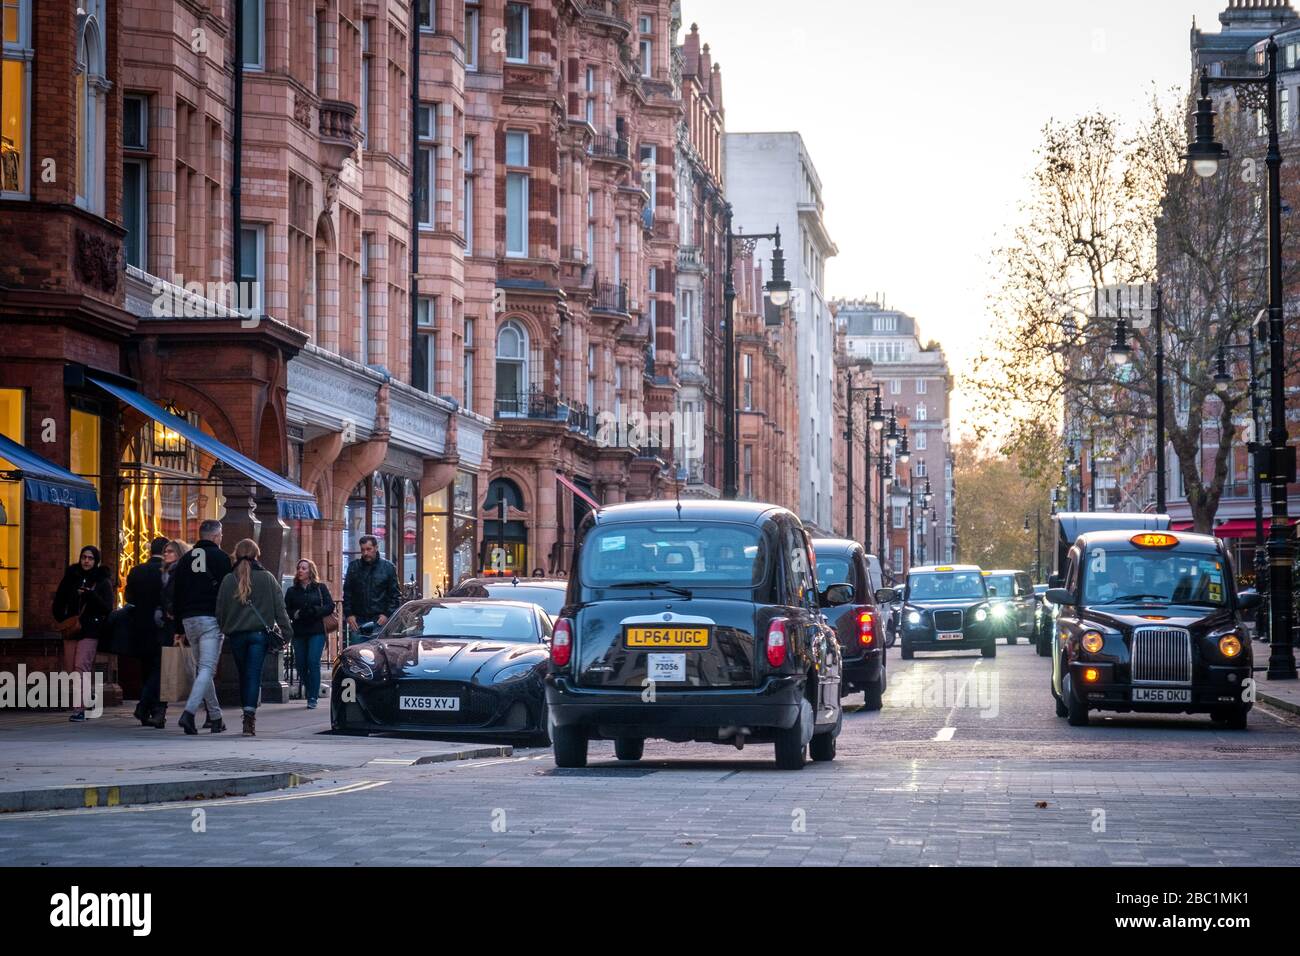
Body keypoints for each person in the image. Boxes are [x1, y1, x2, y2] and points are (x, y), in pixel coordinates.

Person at [216, 539, 293, 736]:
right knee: (253, 675)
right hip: (259, 635)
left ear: (236, 554)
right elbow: (280, 609)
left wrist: (225, 627)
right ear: (257, 554)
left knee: (244, 675)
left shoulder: (227, 580)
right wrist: (286, 633)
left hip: (236, 636)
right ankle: (249, 719)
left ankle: (247, 711)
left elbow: (219, 610)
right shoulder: (267, 578)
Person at [172, 519, 232, 735]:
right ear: (216, 536)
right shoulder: (222, 558)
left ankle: (216, 717)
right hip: (210, 620)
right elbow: (227, 593)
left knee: (202, 669)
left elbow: (176, 594)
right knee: (207, 669)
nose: (221, 538)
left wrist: (178, 626)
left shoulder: (185, 559)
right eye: (221, 535)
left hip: (189, 619)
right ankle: (189, 713)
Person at [52, 546, 114, 721]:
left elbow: (107, 607)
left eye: (90, 558)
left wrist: (91, 596)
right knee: (71, 668)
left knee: (81, 666)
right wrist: (63, 618)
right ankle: (89, 698)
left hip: (90, 630)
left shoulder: (102, 581)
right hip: (72, 628)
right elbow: (58, 601)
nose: (86, 561)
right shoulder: (71, 577)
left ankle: (80, 709)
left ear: (96, 561)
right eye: (84, 557)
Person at [124, 537, 169, 728]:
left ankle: (147, 709)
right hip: (163, 627)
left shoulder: (137, 571)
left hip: (140, 626)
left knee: (147, 667)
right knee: (162, 669)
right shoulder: (167, 572)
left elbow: (129, 596)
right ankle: (152, 707)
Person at [284, 558, 334, 709]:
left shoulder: (320, 588)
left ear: (310, 571)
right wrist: (296, 614)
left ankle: (312, 696)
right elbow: (286, 609)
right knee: (300, 664)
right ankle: (310, 687)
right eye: (299, 568)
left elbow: (330, 606)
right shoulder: (292, 591)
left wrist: (315, 611)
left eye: (304, 568)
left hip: (316, 630)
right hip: (299, 631)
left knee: (313, 662)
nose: (300, 571)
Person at [342, 534, 400, 644]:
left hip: (379, 620)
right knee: (357, 656)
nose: (365, 553)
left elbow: (395, 595)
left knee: (378, 656)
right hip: (358, 621)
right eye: (363, 550)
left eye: (369, 549)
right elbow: (348, 593)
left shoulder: (388, 567)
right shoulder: (353, 567)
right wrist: (349, 614)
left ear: (376, 548)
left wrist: (387, 615)